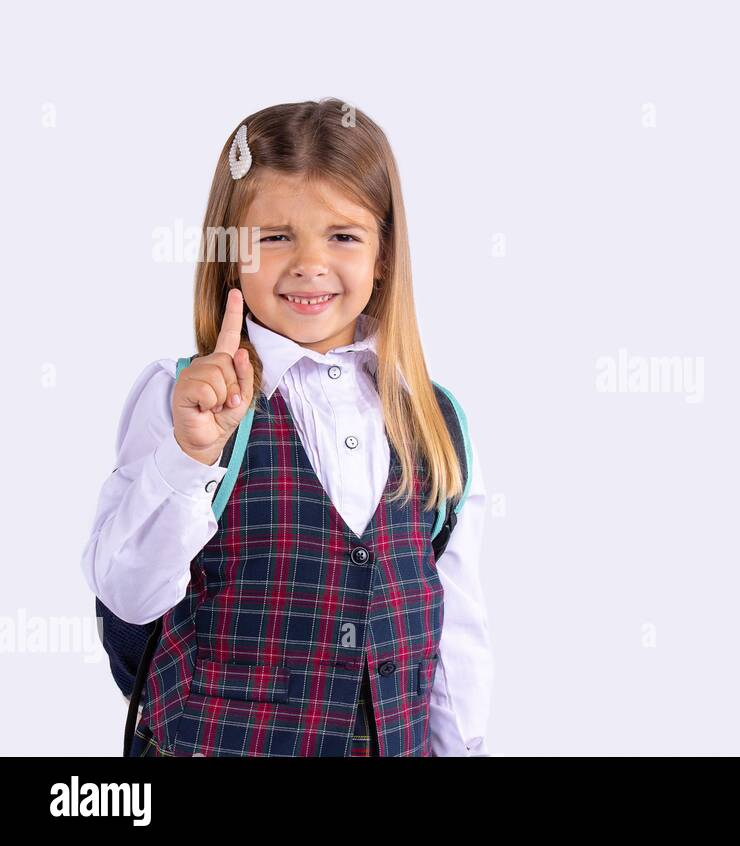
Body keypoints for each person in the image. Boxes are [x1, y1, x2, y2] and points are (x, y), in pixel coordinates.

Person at [80, 99, 492, 756]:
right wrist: (190, 455)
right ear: (230, 253)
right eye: (275, 237)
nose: (308, 263)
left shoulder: (433, 421)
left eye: (343, 236)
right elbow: (127, 596)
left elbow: (455, 635)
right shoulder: (183, 397)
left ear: (384, 254)